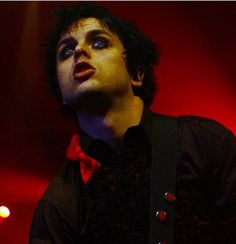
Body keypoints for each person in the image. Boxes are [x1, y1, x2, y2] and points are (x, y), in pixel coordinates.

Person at [29, 3, 236, 243]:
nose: (79, 51)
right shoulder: (57, 205)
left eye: (98, 43)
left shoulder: (204, 144)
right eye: (65, 51)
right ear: (61, 93)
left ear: (136, 73)